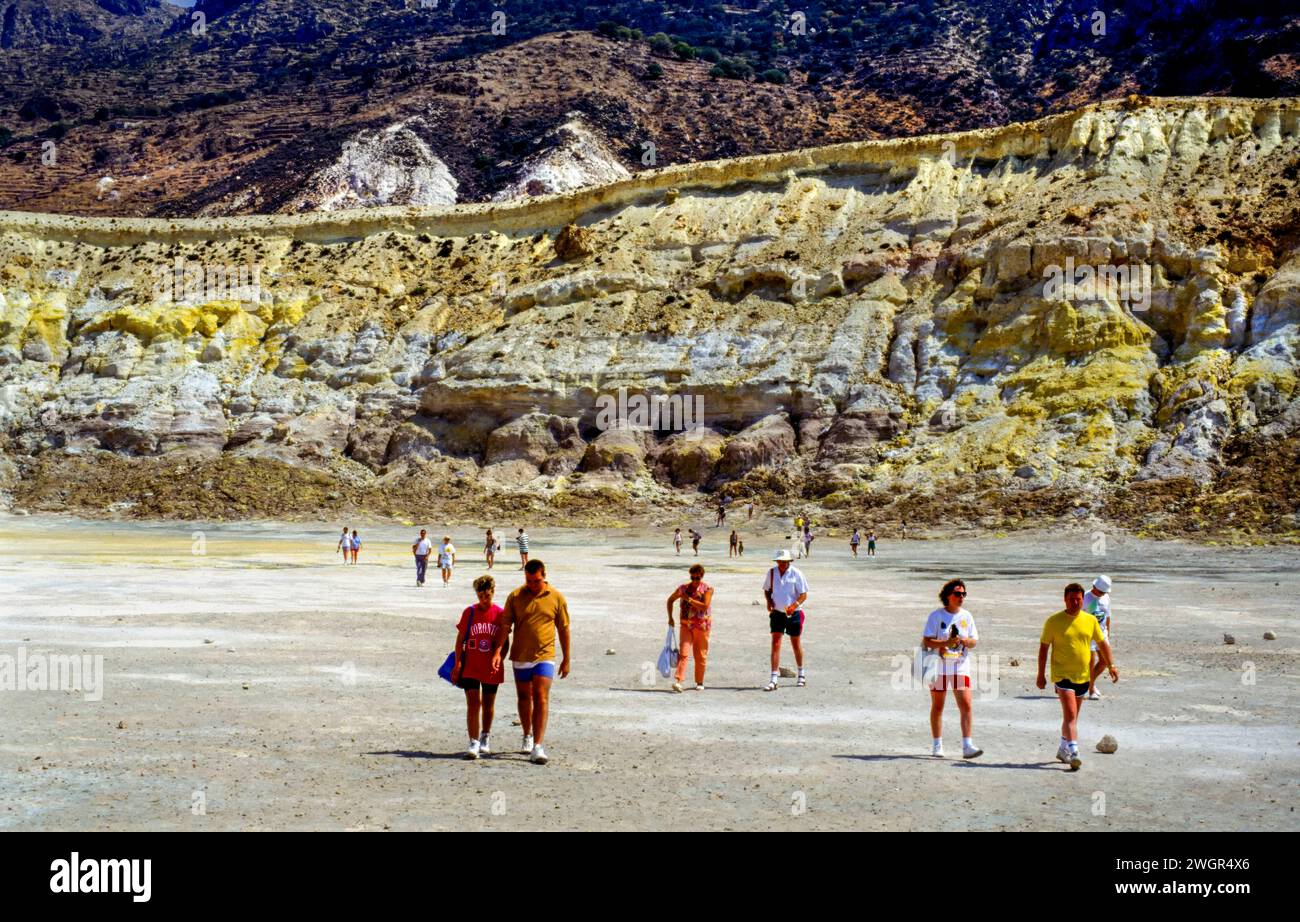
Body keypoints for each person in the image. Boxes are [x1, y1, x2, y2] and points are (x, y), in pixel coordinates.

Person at [491, 559, 571, 765]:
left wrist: (567, 658)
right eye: (528, 580)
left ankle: (538, 745)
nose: (532, 585)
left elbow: (563, 629)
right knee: (524, 697)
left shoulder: (556, 597)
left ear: (544, 575)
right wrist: (498, 651)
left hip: (545, 655)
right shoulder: (516, 596)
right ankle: (527, 734)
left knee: (541, 696)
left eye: (536, 580)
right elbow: (505, 626)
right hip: (520, 656)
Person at [1037, 583, 1118, 770]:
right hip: (1062, 675)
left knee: (1071, 718)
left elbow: (1102, 643)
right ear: (1065, 599)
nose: (1075, 602)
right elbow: (1043, 649)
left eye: (1078, 599)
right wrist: (1041, 675)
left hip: (1083, 676)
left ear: (1083, 600)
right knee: (1071, 715)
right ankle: (1074, 752)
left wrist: (1111, 665)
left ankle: (1063, 747)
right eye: (1071, 599)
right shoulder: (1053, 621)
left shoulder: (1090, 621)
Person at [921, 579, 982, 759]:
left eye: (963, 594)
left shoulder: (967, 616)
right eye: (957, 594)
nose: (961, 597)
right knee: (938, 706)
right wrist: (946, 643)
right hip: (938, 668)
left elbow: (974, 641)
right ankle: (937, 744)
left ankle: (967, 745)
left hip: (960, 667)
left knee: (966, 705)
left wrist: (964, 641)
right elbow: (927, 640)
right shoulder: (936, 616)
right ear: (948, 595)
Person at [451, 575, 506, 759]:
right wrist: (458, 663)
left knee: (489, 704)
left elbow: (504, 641)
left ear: (493, 593)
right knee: (473, 703)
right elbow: (460, 640)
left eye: (487, 595)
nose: (484, 599)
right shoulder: (470, 612)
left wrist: (500, 657)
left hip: (491, 665)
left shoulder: (500, 613)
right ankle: (473, 741)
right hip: (471, 664)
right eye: (481, 595)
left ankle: (485, 736)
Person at [762, 549, 809, 691]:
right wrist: (769, 601)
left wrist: (794, 605)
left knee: (795, 643)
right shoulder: (771, 573)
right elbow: (767, 589)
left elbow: (803, 594)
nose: (782, 564)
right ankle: (774, 679)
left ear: (789, 561)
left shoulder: (797, 573)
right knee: (775, 644)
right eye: (780, 561)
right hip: (777, 613)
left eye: (785, 561)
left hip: (794, 614)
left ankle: (801, 674)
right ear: (777, 561)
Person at [666, 563, 714, 692]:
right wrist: (670, 618)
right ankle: (678, 680)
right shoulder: (683, 588)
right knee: (684, 653)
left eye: (697, 578)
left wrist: (689, 600)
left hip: (702, 626)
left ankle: (699, 682)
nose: (694, 581)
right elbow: (670, 600)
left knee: (700, 654)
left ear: (702, 577)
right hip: (686, 625)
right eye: (692, 578)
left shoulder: (708, 589)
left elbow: (705, 606)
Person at [1084, 575, 1113, 700]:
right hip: (1088, 634)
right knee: (1090, 663)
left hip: (1102, 634)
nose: (1102, 594)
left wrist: (1108, 633)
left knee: (1104, 661)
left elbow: (1107, 617)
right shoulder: (1084, 597)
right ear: (1094, 587)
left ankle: (1090, 683)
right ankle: (1090, 690)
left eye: (1104, 592)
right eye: (1101, 591)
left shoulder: (1106, 597)